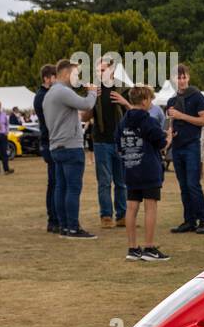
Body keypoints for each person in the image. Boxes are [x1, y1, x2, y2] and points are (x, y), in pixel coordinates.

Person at [43, 58, 99, 238]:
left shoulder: (50, 93)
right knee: (73, 189)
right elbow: (87, 104)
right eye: (76, 73)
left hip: (56, 146)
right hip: (70, 146)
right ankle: (73, 227)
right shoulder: (62, 91)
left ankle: (65, 226)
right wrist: (92, 92)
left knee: (61, 187)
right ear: (66, 73)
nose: (77, 77)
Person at [117, 85, 170, 262]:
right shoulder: (148, 120)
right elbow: (161, 143)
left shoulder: (123, 121)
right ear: (145, 100)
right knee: (150, 207)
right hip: (148, 170)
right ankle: (149, 247)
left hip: (130, 168)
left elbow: (118, 144)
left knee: (131, 208)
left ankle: (132, 248)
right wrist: (169, 137)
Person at [165, 63, 204, 234]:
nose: (182, 80)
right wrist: (170, 134)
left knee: (193, 184)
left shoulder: (197, 96)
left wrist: (180, 115)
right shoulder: (171, 101)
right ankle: (189, 220)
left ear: (188, 78)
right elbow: (172, 123)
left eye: (184, 77)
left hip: (192, 145)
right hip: (177, 146)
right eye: (178, 77)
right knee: (183, 186)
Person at [90, 57, 128, 227]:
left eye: (103, 69)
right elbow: (85, 116)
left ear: (112, 70)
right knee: (104, 182)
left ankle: (122, 216)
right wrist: (90, 99)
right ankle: (106, 216)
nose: (100, 73)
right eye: (98, 70)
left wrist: (123, 101)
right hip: (100, 141)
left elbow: (136, 110)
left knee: (121, 181)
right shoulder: (94, 90)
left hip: (121, 141)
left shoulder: (123, 88)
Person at [34, 64, 61, 233]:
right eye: (54, 77)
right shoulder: (42, 96)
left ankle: (55, 218)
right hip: (49, 142)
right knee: (54, 183)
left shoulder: (46, 95)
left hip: (51, 141)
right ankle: (53, 219)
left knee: (56, 182)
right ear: (47, 78)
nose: (56, 80)